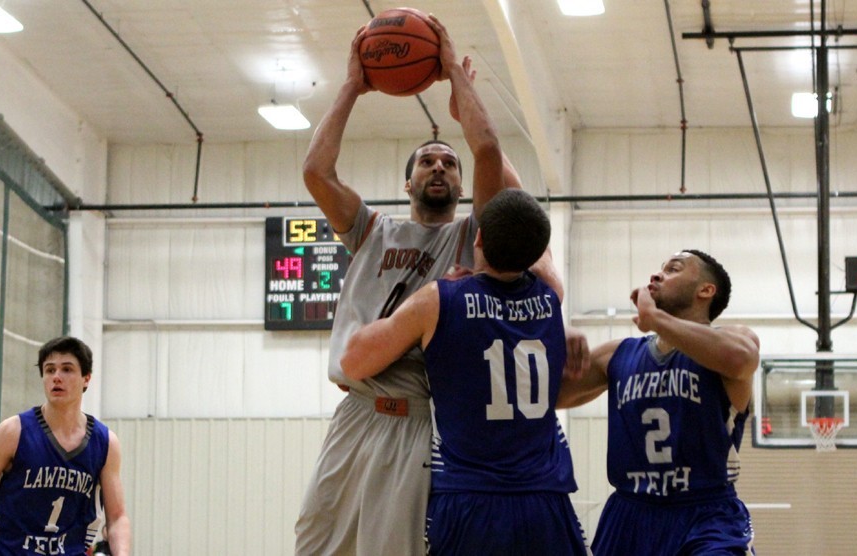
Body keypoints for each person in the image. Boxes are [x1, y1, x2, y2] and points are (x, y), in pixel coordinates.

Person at [293, 13, 559, 556]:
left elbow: (488, 150)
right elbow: (317, 172)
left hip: (415, 420)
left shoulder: (474, 238)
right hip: (354, 411)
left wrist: (453, 73)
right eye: (427, 161)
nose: (439, 167)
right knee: (314, 543)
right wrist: (353, 86)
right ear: (407, 181)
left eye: (449, 164)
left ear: (463, 186)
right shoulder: (371, 230)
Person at [341, 188, 587, 555]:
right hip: (545, 499)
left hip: (469, 500)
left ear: (479, 238)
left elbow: (353, 361)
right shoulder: (550, 299)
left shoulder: (441, 298)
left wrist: (423, 302)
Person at [557, 250, 760, 555]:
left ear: (706, 290)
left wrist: (656, 320)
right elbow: (544, 397)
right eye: (660, 269)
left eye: (674, 269)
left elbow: (742, 358)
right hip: (629, 513)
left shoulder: (733, 340)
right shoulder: (617, 354)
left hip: (706, 515)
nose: (656, 275)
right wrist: (554, 331)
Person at [0, 336, 131, 556]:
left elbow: (117, 517)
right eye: (50, 370)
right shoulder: (13, 432)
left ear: (86, 378)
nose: (56, 377)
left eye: (67, 369)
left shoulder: (105, 443)